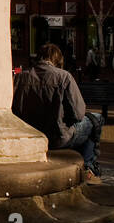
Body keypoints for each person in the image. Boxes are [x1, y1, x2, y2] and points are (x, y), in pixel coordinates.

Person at [12, 42, 102, 181]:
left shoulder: (20, 77)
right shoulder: (64, 77)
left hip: (30, 135)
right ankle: (89, 166)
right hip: (57, 137)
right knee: (96, 119)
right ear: (57, 59)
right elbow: (79, 114)